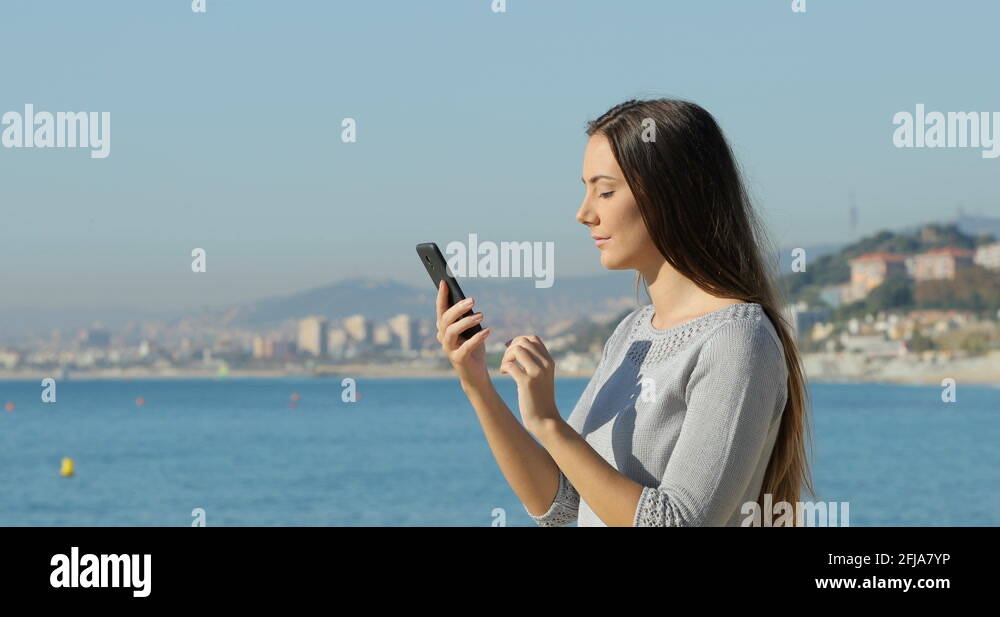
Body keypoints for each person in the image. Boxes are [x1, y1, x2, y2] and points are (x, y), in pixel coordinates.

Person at [434, 98, 814, 526]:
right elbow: (564, 509)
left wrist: (550, 423)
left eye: (606, 190)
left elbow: (678, 523)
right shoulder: (631, 333)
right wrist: (477, 385)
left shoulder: (737, 341)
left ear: (678, 192)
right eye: (586, 188)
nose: (584, 213)